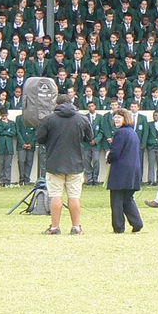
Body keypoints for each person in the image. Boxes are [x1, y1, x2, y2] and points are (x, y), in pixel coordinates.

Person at [37, 94, 95, 234]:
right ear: (72, 102)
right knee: (74, 196)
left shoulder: (49, 119)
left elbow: (40, 138)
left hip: (55, 163)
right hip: (76, 163)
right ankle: (76, 227)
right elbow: (90, 138)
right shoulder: (82, 118)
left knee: (56, 195)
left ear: (56, 104)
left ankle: (55, 227)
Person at [106, 109, 144, 233]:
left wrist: (108, 156)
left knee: (116, 200)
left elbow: (115, 153)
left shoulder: (121, 133)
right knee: (128, 199)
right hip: (133, 170)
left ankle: (119, 227)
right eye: (115, 117)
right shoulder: (132, 133)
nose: (116, 119)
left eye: (119, 117)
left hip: (121, 171)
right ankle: (137, 223)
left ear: (125, 118)